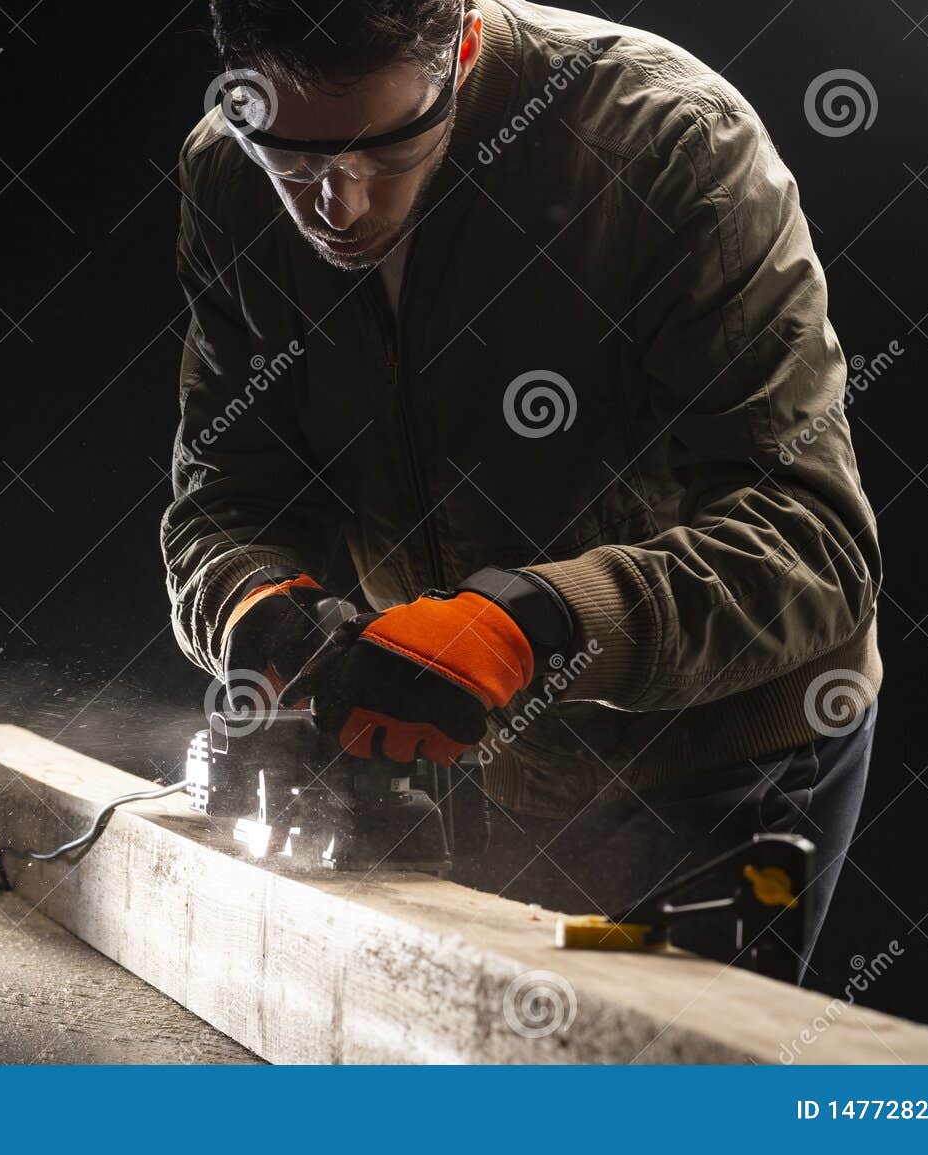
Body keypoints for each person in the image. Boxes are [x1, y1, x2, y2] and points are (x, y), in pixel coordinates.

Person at [162, 0, 882, 974]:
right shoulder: (223, 174)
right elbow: (224, 497)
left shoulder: (675, 145)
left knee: (653, 1113)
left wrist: (531, 624)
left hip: (713, 764)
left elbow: (815, 545)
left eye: (384, 150)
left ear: (459, 47)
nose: (338, 207)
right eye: (291, 163)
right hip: (473, 753)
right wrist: (258, 615)